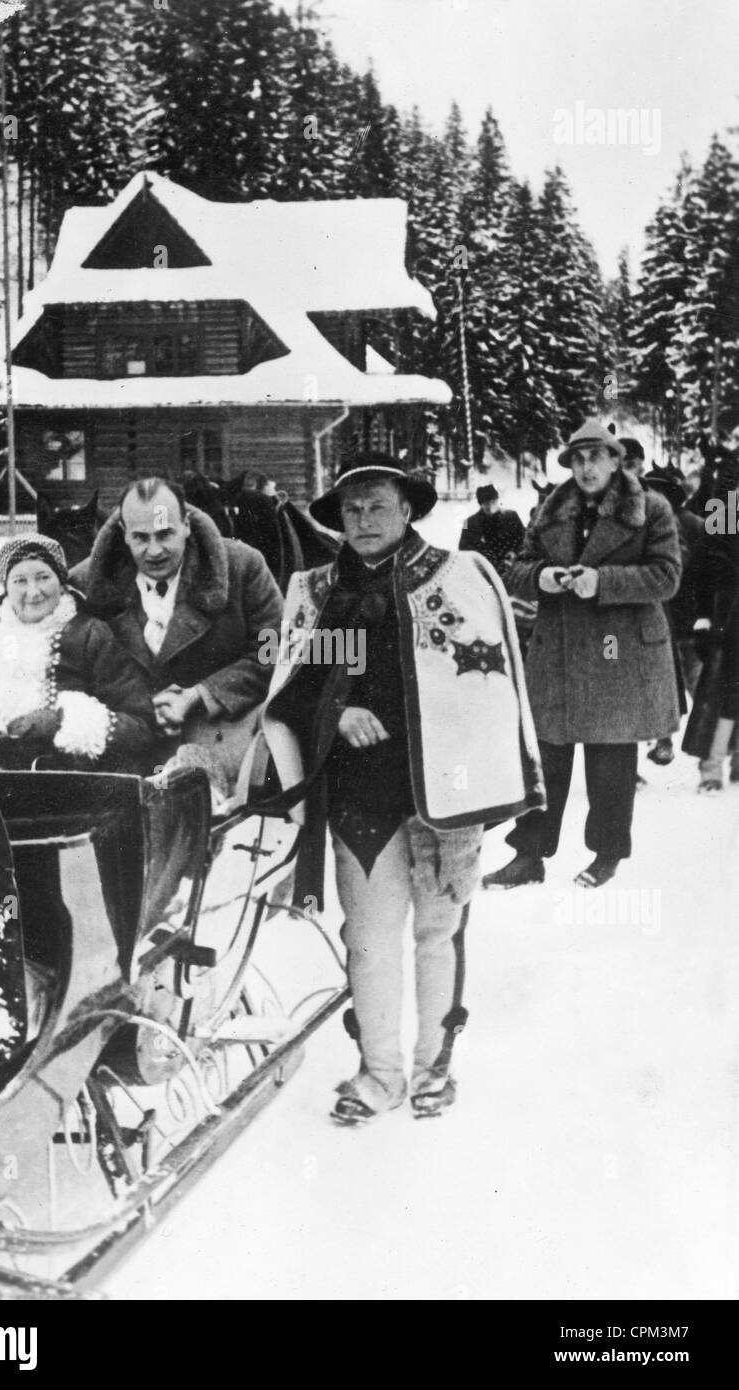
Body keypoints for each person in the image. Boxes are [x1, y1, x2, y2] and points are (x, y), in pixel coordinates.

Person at [259, 453, 544, 1125]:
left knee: (437, 932)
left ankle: (432, 1068)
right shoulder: (316, 590)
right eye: (351, 508)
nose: (362, 520)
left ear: (407, 508)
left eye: (376, 505)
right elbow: (294, 690)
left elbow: (490, 684)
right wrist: (337, 713)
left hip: (444, 794)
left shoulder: (459, 577)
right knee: (368, 936)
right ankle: (378, 1072)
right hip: (359, 794)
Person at [485, 419, 681, 891]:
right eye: (578, 458)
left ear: (616, 461)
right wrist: (541, 577)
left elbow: (667, 576)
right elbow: (518, 568)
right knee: (543, 757)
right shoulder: (553, 510)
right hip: (559, 650)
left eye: (596, 456)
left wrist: (606, 582)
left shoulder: (650, 509)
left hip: (619, 650)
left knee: (610, 759)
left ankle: (607, 854)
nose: (586, 466)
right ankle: (528, 855)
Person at [71, 475, 284, 791]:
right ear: (123, 534)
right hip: (123, 749)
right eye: (141, 537)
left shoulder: (242, 566)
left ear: (186, 525)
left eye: (165, 534)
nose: (154, 551)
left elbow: (276, 651)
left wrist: (200, 694)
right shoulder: (85, 583)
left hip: (219, 739)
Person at [0, 535, 155, 770]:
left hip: (57, 784)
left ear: (61, 581)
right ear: (6, 586)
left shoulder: (90, 634)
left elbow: (139, 725)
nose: (33, 592)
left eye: (43, 577)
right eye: (20, 581)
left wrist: (61, 721)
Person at [682, 448, 739, 790]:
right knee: (724, 686)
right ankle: (712, 767)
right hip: (730, 605)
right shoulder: (732, 483)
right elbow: (713, 553)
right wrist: (704, 614)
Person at [641, 469, 706, 765]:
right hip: (663, 618)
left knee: (694, 680)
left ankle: (715, 749)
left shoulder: (687, 524)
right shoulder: (643, 524)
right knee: (668, 682)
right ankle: (666, 740)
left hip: (683, 617)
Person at [458, 483, 525, 577]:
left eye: (493, 502)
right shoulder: (468, 522)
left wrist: (515, 553)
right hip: (484, 571)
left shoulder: (512, 516)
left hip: (511, 569)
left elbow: (523, 539)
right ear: (480, 504)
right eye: (486, 503)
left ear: (497, 500)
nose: (490, 506)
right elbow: (463, 548)